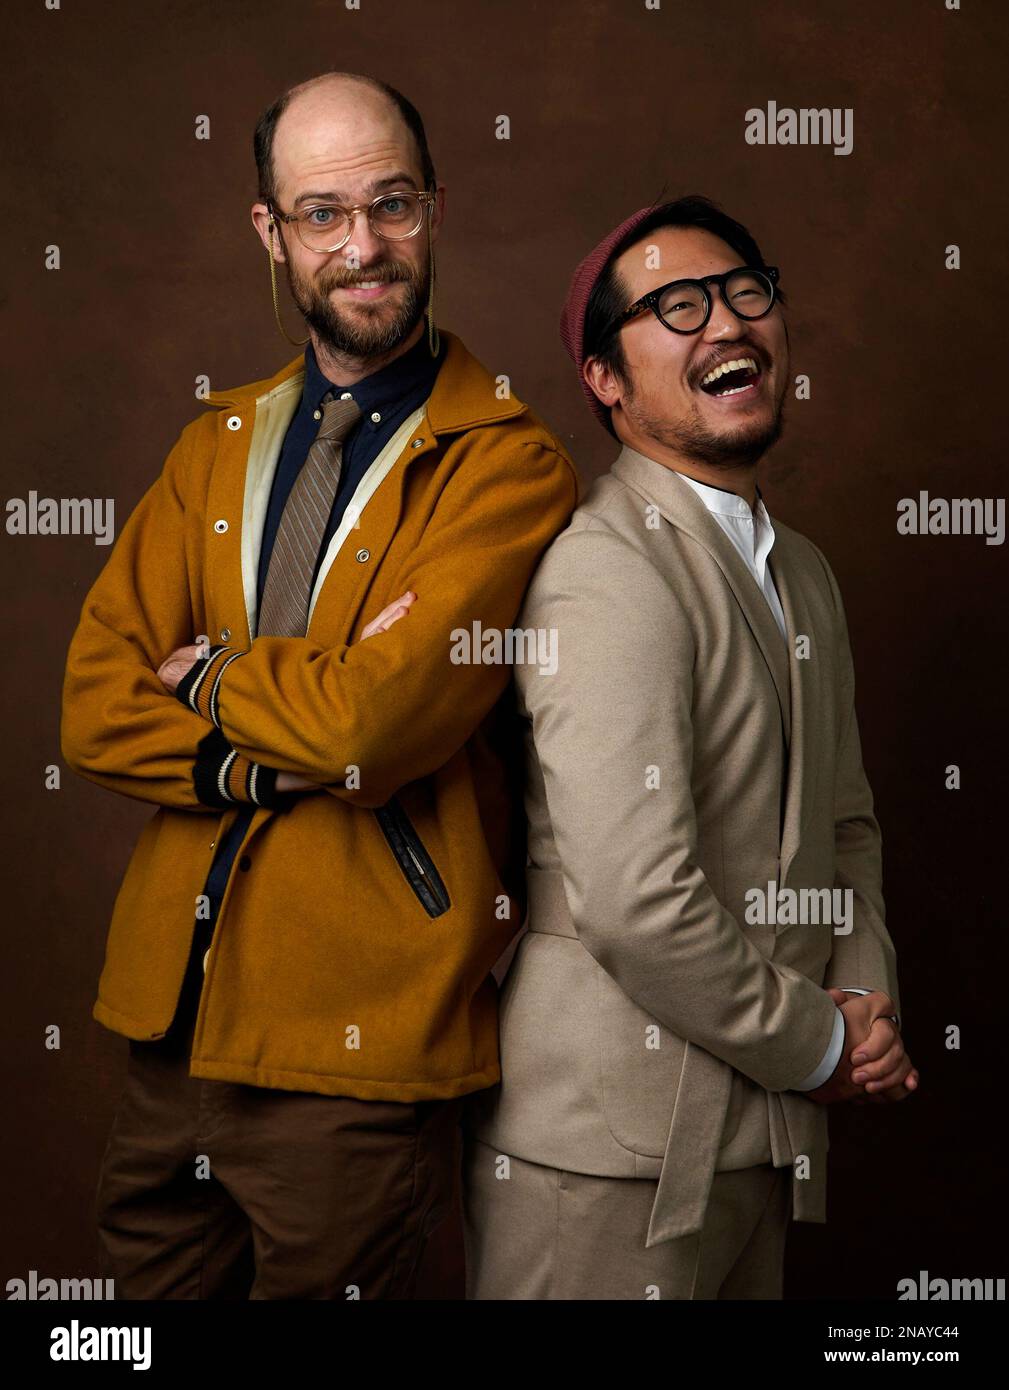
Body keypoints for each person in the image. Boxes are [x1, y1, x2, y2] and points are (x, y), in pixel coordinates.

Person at [60, 70, 577, 1300]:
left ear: (437, 211)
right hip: (167, 1035)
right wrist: (264, 740)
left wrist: (217, 670)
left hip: (360, 1045)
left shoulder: (506, 460)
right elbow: (91, 698)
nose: (364, 247)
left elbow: (378, 722)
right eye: (323, 213)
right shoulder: (215, 443)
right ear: (271, 232)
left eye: (392, 205)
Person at [463, 197, 918, 1300]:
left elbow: (844, 825)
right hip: (606, 1155)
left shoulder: (802, 568)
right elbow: (633, 900)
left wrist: (868, 1004)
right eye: (674, 308)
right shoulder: (604, 570)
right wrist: (820, 1044)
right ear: (604, 382)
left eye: (742, 291)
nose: (723, 323)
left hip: (757, 1136)